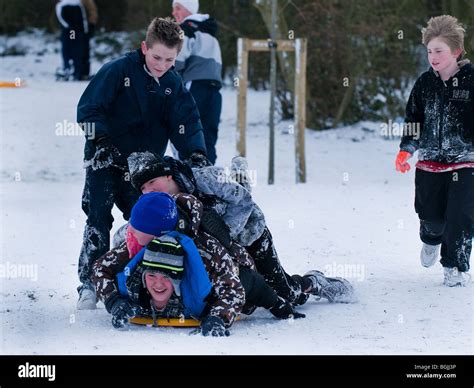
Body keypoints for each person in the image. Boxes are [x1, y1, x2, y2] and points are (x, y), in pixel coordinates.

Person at [76, 17, 208, 309]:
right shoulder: (117, 71)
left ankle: (140, 276)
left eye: (170, 59)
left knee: (144, 221)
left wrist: (195, 152)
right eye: (157, 56)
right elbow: (88, 109)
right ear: (144, 47)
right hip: (104, 159)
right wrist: (101, 141)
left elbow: (186, 121)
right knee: (98, 218)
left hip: (141, 169)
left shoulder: (172, 83)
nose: (162, 64)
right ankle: (88, 284)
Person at [125, 151, 357, 305]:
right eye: (143, 188)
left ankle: (313, 282)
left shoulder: (206, 178)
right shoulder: (156, 203)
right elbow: (139, 228)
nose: (148, 191)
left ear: (167, 175)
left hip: (250, 235)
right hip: (218, 249)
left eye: (152, 182)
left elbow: (243, 200)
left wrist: (227, 237)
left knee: (283, 295)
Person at [92, 192, 305, 336]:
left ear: (160, 235)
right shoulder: (140, 243)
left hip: (245, 275)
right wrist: (114, 301)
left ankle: (312, 284)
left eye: (138, 233)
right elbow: (101, 268)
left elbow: (235, 287)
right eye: (132, 230)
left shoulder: (205, 249)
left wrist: (218, 317)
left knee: (289, 294)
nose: (132, 238)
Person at [395, 15, 473, 287]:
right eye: (429, 51)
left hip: (466, 162)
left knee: (461, 216)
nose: (433, 56)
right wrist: (407, 149)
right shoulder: (424, 84)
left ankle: (455, 266)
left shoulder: (471, 82)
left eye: (439, 50)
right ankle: (430, 239)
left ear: (456, 51)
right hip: (429, 163)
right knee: (433, 218)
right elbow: (413, 118)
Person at [172, 0, 223, 164]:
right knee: (208, 135)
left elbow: (177, 61)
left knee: (188, 132)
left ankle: (187, 173)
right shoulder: (210, 31)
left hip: (193, 87)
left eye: (177, 8)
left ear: (188, 9)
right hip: (214, 90)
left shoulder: (185, 30)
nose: (174, 13)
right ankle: (210, 175)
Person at [55, 0, 88, 81]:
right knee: (73, 49)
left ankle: (71, 70)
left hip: (71, 31)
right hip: (73, 31)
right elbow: (83, 18)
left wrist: (69, 27)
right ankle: (73, 70)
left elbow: (60, 17)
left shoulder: (64, 4)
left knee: (70, 49)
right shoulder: (74, 4)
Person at [80, 0, 98, 80]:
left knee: (84, 50)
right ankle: (78, 72)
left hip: (84, 28)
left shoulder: (87, 1)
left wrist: (91, 25)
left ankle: (84, 73)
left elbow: (92, 11)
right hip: (75, 28)